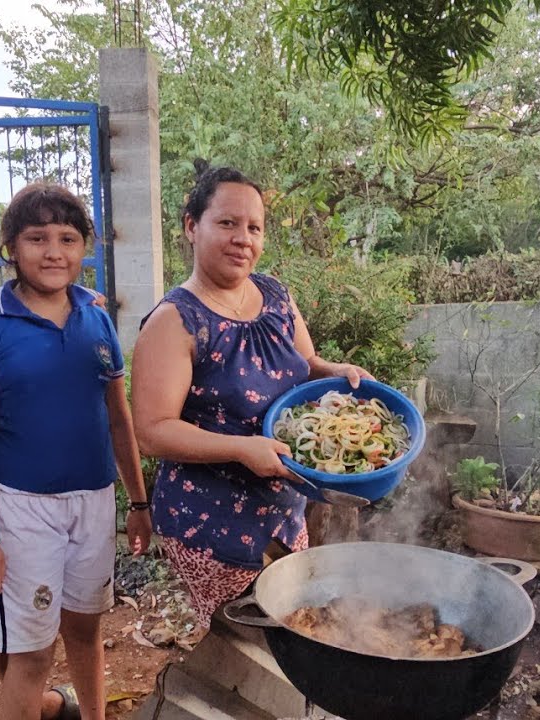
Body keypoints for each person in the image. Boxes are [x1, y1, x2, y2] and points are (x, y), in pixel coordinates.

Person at [129, 165, 372, 627]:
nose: (244, 238)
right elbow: (152, 433)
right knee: (241, 643)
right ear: (190, 226)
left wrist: (335, 370)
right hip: (211, 523)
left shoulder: (274, 294)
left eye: (254, 227)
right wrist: (242, 449)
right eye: (227, 223)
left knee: (288, 626)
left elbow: (307, 365)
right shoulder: (175, 321)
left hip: (284, 509)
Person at [0, 183, 152, 720]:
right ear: (11, 246)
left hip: (95, 497)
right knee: (32, 655)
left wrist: (139, 502)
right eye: (37, 238)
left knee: (86, 632)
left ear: (85, 247)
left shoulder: (96, 317)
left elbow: (118, 414)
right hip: (20, 504)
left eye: (68, 238)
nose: (54, 251)